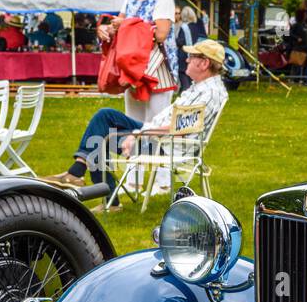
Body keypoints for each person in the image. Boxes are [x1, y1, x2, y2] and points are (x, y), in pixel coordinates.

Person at [44, 39, 229, 211]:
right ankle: (81, 173)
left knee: (98, 139)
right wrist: (140, 131)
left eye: (192, 57)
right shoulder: (202, 87)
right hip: (158, 137)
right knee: (105, 116)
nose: (186, 60)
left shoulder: (209, 92)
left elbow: (179, 129)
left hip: (166, 146)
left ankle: (90, 184)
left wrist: (138, 134)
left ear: (204, 63)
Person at [98, 0, 178, 122]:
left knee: (155, 123)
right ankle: (134, 150)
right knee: (132, 121)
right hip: (132, 66)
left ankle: (153, 150)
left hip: (156, 69)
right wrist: (107, 29)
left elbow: (161, 34)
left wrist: (125, 24)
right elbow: (119, 22)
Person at [174, 6, 206, 90]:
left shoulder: (184, 27)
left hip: (184, 55)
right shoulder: (195, 27)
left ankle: (185, 94)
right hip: (194, 54)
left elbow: (181, 41)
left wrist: (174, 40)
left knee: (183, 76)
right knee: (191, 76)